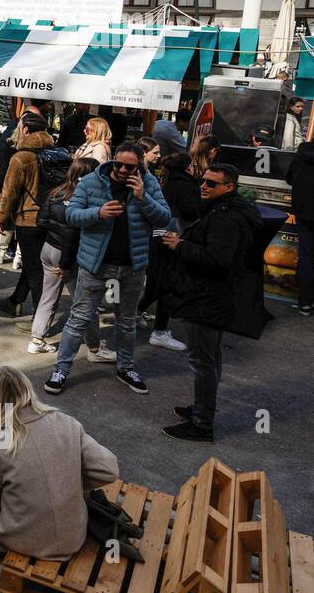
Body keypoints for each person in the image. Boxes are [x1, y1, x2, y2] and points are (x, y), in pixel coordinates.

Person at [0, 366, 118, 573]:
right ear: (29, 389)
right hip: (74, 536)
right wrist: (64, 478)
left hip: (26, 540)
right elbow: (108, 469)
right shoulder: (67, 423)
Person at [44, 143, 173, 396]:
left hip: (132, 267)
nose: (124, 170)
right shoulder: (93, 181)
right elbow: (71, 215)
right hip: (95, 265)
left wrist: (143, 198)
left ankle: (126, 368)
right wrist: (98, 213)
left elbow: (164, 218)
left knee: (126, 322)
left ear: (140, 165)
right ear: (113, 161)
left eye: (130, 166)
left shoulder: (149, 184)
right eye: (120, 164)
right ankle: (60, 370)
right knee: (79, 318)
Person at [160, 164, 268, 442]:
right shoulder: (229, 211)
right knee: (210, 358)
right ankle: (201, 410)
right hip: (213, 297)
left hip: (206, 298)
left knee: (202, 362)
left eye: (211, 184)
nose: (203, 187)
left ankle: (202, 424)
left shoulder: (225, 218)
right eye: (203, 181)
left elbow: (219, 258)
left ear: (228, 188)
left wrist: (180, 245)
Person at [29, 157, 111, 356]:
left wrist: (53, 234)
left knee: (48, 296)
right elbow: (72, 235)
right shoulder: (84, 199)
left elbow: (41, 220)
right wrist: (65, 263)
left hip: (49, 249)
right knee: (85, 301)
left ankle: (37, 339)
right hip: (70, 255)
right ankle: (94, 346)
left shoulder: (55, 193)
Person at [0, 112, 56, 321]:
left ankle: (41, 319)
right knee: (34, 263)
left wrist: (1, 219)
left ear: (25, 129)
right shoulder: (55, 152)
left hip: (28, 218)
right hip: (52, 216)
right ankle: (15, 300)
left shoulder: (21, 157)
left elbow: (9, 193)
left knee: (35, 269)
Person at [139, 151, 201, 351]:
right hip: (172, 237)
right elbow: (191, 211)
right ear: (187, 167)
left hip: (157, 236)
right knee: (167, 285)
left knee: (156, 284)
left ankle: (136, 314)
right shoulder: (186, 185)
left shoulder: (163, 181)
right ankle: (160, 331)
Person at [286, 137, 314, 316]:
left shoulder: (301, 153)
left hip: (304, 214)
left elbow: (289, 179)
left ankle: (305, 303)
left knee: (306, 257)